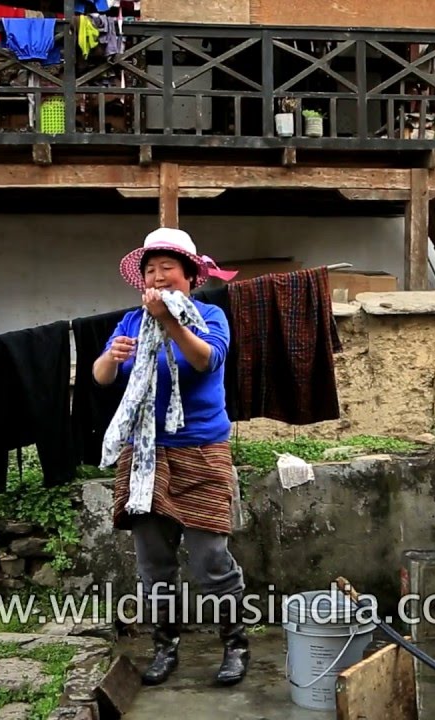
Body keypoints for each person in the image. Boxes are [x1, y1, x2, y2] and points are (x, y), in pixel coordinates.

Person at [92, 227, 249, 687]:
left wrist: (170, 322)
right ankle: (165, 648)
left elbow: (205, 361)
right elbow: (103, 377)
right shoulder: (129, 323)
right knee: (153, 565)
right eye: (151, 271)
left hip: (201, 451)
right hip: (144, 456)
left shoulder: (209, 317)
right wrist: (110, 357)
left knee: (210, 559)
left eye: (168, 270)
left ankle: (235, 645)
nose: (159, 277)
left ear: (190, 277)